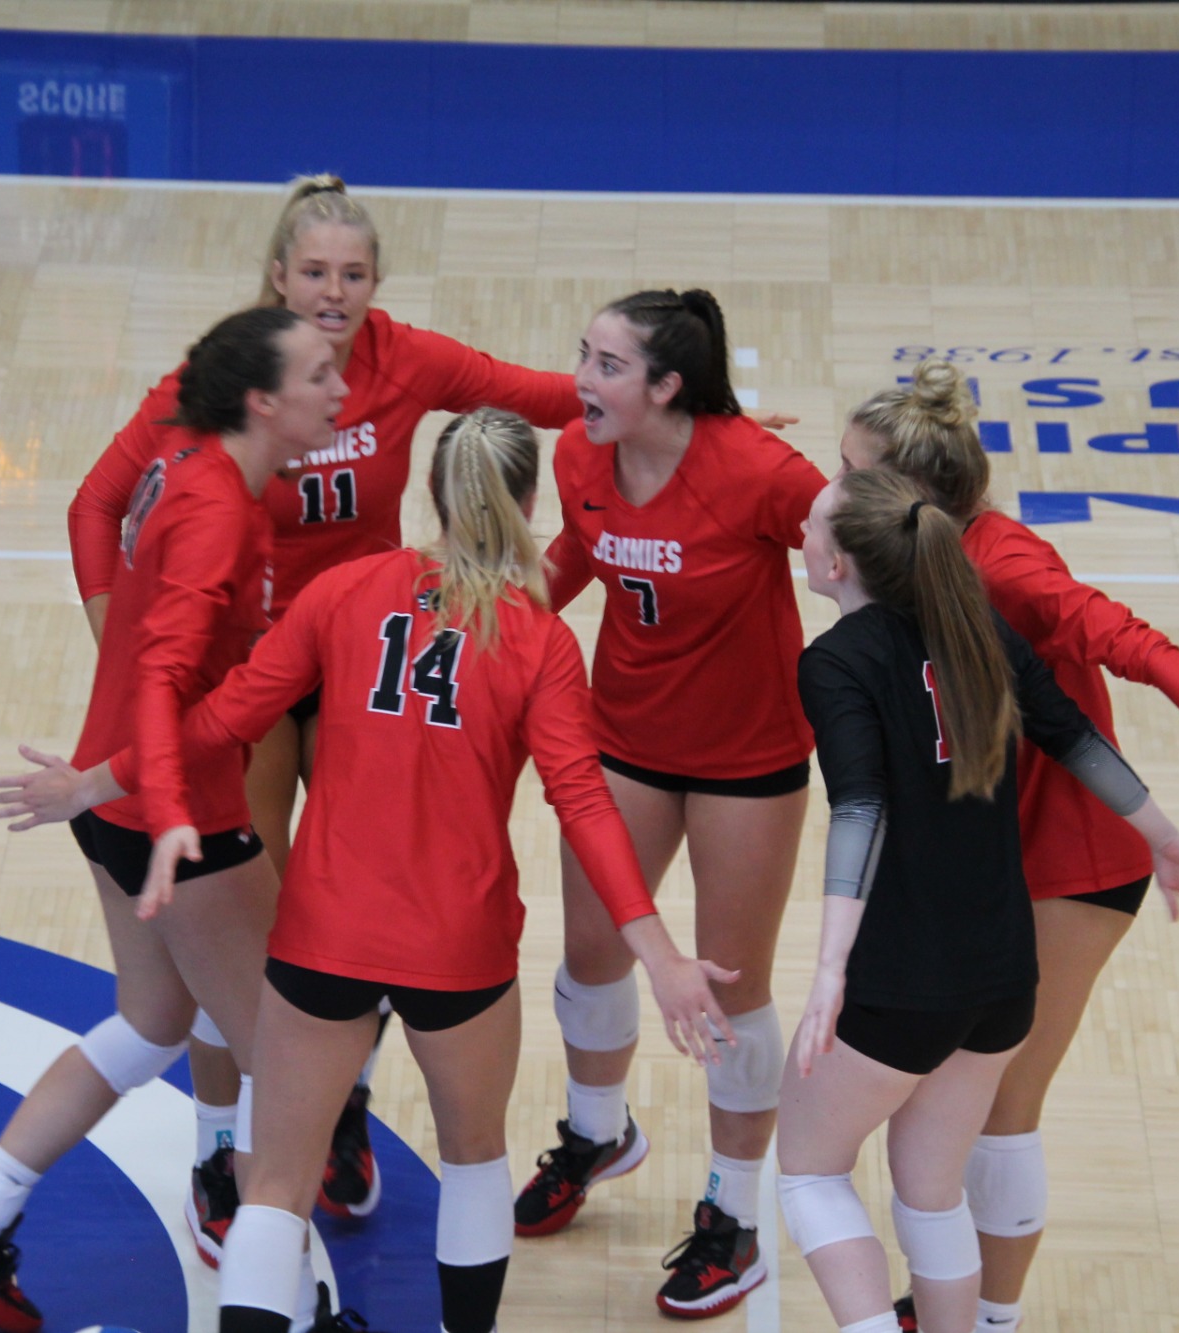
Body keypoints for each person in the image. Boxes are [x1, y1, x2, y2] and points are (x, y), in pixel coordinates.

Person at [0, 409, 740, 1333]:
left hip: (324, 935)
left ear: (429, 494)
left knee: (272, 1183)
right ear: (526, 501)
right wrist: (659, 951)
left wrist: (96, 781)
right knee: (473, 1161)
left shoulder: (344, 591)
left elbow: (219, 723)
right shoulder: (538, 640)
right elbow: (583, 805)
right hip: (458, 947)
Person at [65, 174, 582, 1238]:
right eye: (314, 272)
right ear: (276, 276)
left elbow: (535, 395)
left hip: (359, 654)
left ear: (376, 283)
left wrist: (668, 405)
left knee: (356, 907)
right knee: (243, 930)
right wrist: (113, 637)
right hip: (252, 677)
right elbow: (93, 502)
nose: (334, 292)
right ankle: (223, 1148)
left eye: (353, 274)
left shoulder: (405, 358)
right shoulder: (224, 382)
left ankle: (328, 1107)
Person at [842, 363, 1179, 1333]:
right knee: (943, 1114)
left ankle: (986, 1317)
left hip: (1070, 864)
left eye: (850, 474)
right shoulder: (898, 556)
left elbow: (1137, 645)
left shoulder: (1007, 572)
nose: (831, 493)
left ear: (915, 497)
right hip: (984, 861)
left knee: (996, 1104)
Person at [0, 306, 346, 1333]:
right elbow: (164, 680)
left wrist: (96, 787)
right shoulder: (223, 515)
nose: (340, 391)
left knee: (151, 1023)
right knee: (290, 1070)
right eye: (321, 374)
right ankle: (298, 1306)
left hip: (119, 804)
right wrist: (109, 788)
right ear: (262, 400)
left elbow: (102, 535)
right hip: (172, 822)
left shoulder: (186, 456)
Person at [778, 467, 1179, 1333]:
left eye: (813, 525)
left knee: (812, 1172)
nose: (800, 529)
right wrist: (1162, 834)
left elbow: (858, 805)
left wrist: (830, 967)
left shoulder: (834, 661)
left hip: (902, 976)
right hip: (1003, 977)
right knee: (933, 1196)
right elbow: (1076, 737)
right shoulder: (977, 628)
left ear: (838, 566)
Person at [515, 288, 826, 1320]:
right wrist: (497, 620)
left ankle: (731, 1213)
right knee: (592, 952)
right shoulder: (576, 454)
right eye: (583, 357)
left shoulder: (759, 473)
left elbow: (853, 565)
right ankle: (596, 1130)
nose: (580, 382)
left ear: (665, 386)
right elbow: (577, 554)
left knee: (729, 988)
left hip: (748, 756)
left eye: (606, 366)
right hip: (626, 741)